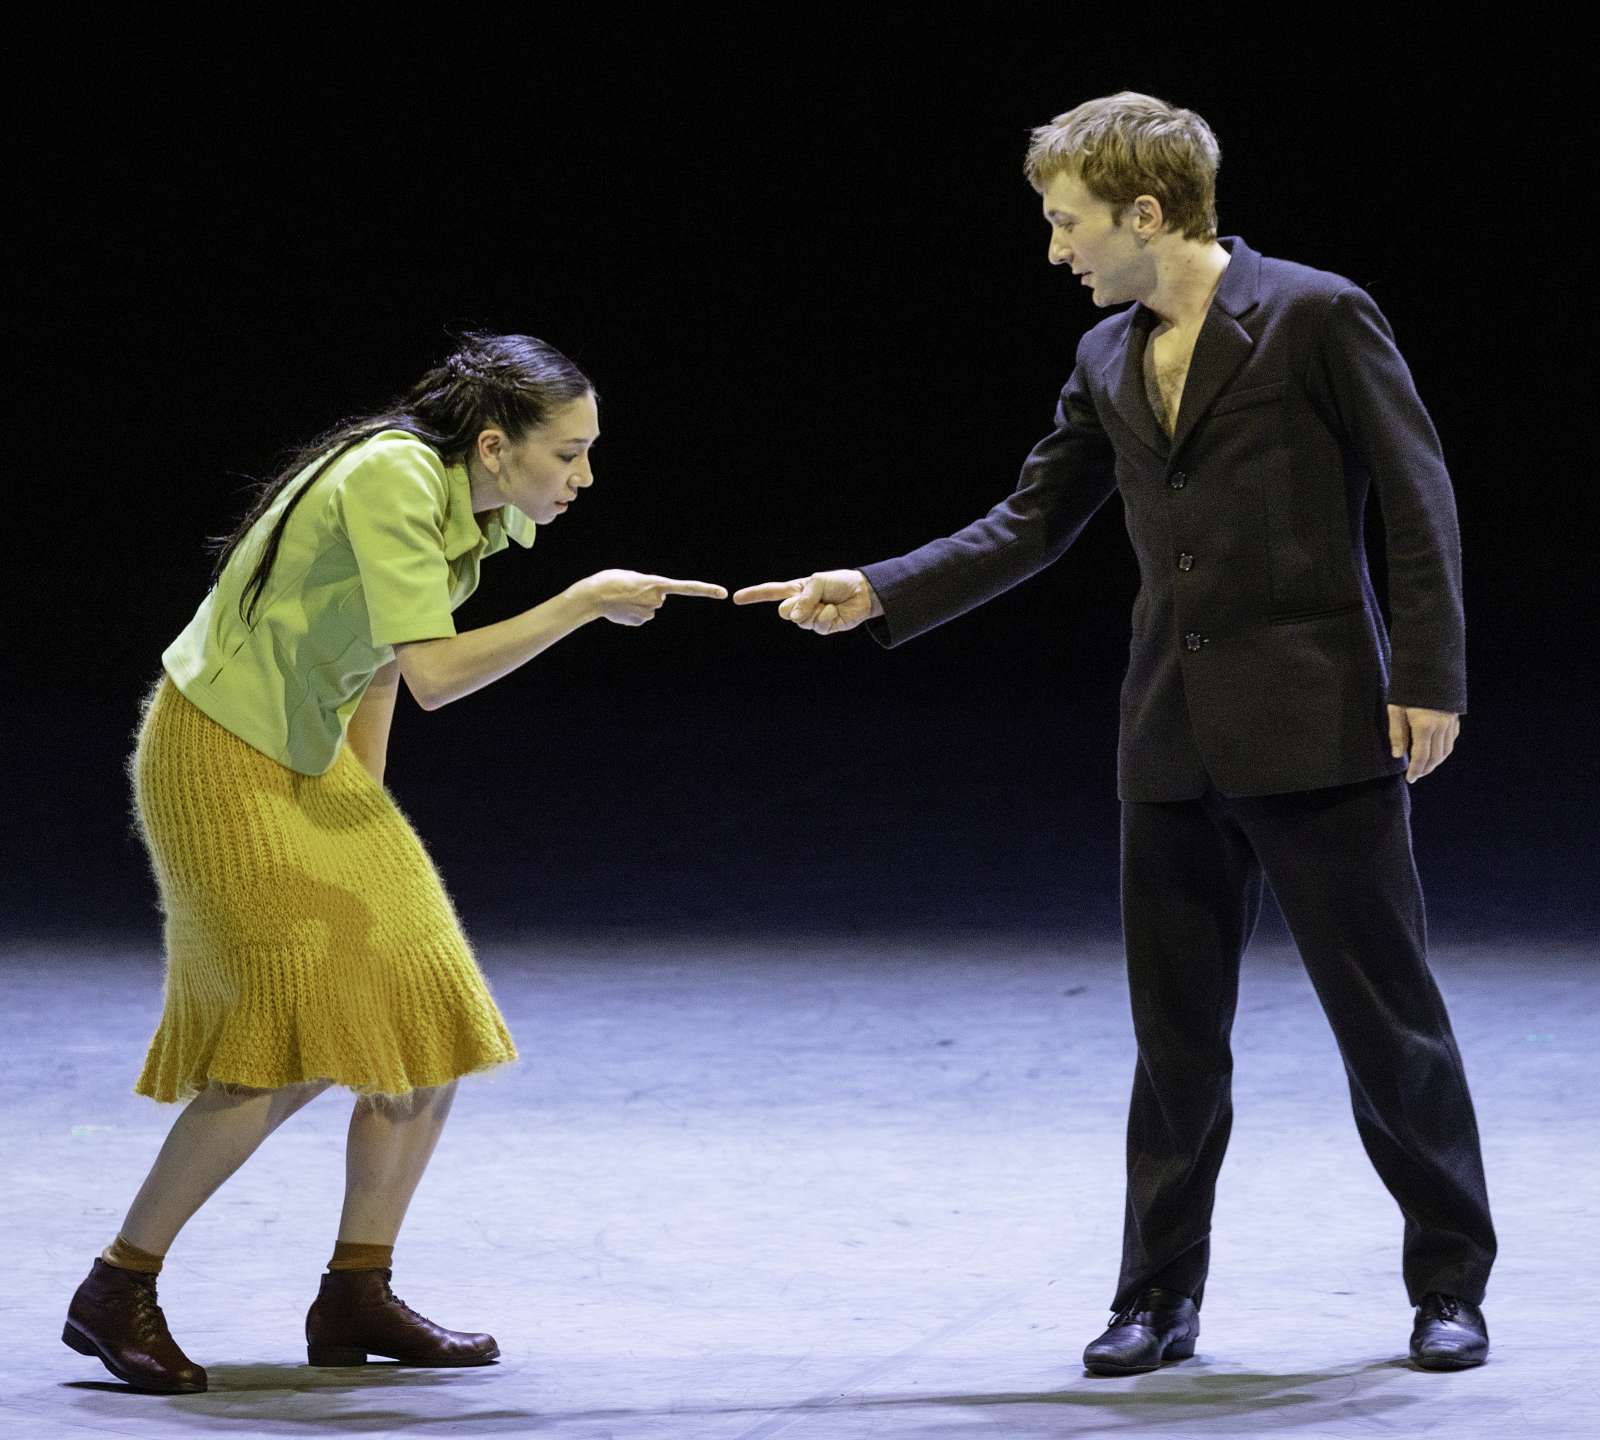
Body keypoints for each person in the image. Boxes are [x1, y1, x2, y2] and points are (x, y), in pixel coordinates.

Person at [736, 92, 1496, 1374]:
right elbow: (1029, 522)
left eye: (1067, 221)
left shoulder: (1313, 314)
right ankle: (1155, 1295)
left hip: (1317, 723)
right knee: (1173, 1039)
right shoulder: (1102, 359)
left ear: (1145, 215)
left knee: (1386, 1021)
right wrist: (879, 587)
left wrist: (1428, 676)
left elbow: (1418, 506)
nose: (1055, 249)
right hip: (1168, 738)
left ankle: (1447, 1284)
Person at [63, 333, 727, 1393]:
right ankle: (116, 1285)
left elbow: (371, 661)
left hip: (308, 757)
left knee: (424, 1014)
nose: (584, 477)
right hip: (219, 754)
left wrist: (360, 805)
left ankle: (356, 1290)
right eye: (570, 454)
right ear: (499, 446)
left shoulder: (473, 500)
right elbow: (434, 672)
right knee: (289, 1036)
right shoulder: (390, 477)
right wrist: (584, 600)